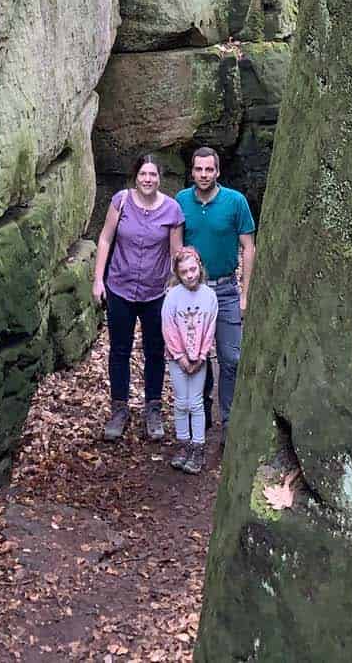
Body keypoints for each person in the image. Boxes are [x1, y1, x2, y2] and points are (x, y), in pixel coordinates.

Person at [92, 154, 184, 441]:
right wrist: (98, 279)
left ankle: (153, 408)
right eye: (143, 174)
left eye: (153, 175)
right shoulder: (120, 201)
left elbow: (176, 253)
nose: (148, 179)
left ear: (160, 177)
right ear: (136, 177)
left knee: (154, 350)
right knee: (120, 349)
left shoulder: (172, 210)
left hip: (155, 292)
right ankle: (119, 408)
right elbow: (105, 238)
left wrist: (176, 287)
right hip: (120, 287)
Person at [174, 147, 255, 435]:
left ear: (218, 171)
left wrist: (245, 292)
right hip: (193, 291)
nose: (204, 175)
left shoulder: (236, 202)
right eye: (199, 169)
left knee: (231, 357)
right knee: (197, 355)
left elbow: (248, 247)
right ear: (192, 171)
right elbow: (177, 244)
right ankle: (202, 411)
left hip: (225, 289)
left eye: (209, 169)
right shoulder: (181, 201)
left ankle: (229, 417)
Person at [161, 245, 217, 474]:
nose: (190, 275)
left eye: (193, 269)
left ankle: (198, 448)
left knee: (195, 402)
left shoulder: (209, 296)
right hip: (177, 358)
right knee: (181, 402)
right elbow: (168, 326)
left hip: (199, 358)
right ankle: (183, 445)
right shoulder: (172, 296)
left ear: (200, 267)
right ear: (177, 273)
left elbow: (210, 326)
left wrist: (202, 355)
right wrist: (180, 356)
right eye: (184, 272)